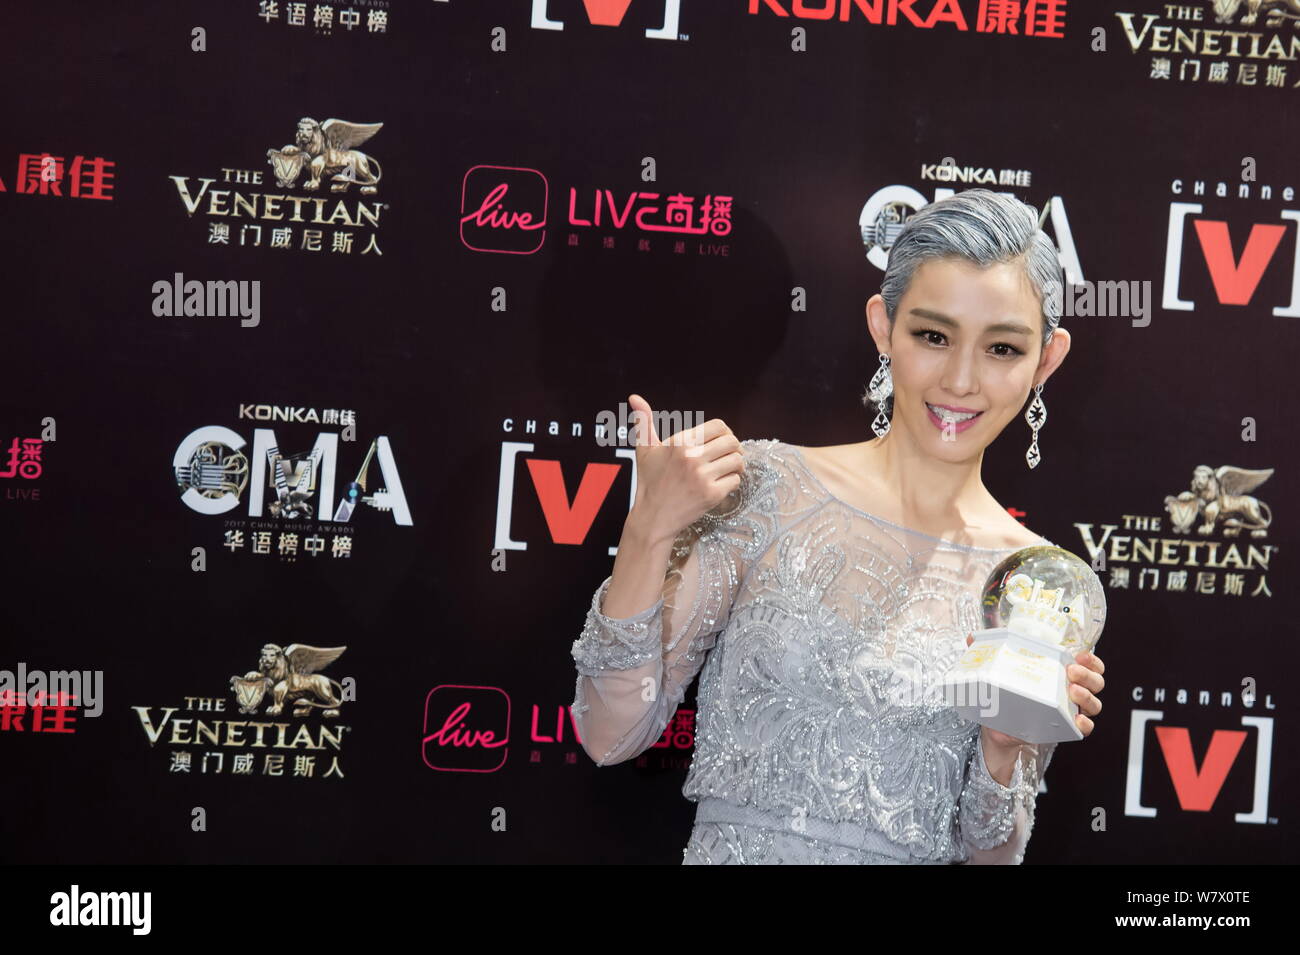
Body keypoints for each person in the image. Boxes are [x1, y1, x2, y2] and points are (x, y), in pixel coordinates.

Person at [568, 188, 1107, 864]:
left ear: (1046, 360)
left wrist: (1007, 747)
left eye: (1002, 348)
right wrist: (647, 533)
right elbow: (609, 731)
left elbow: (988, 857)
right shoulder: (766, 488)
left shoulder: (1034, 583)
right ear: (883, 326)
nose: (962, 379)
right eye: (932, 336)